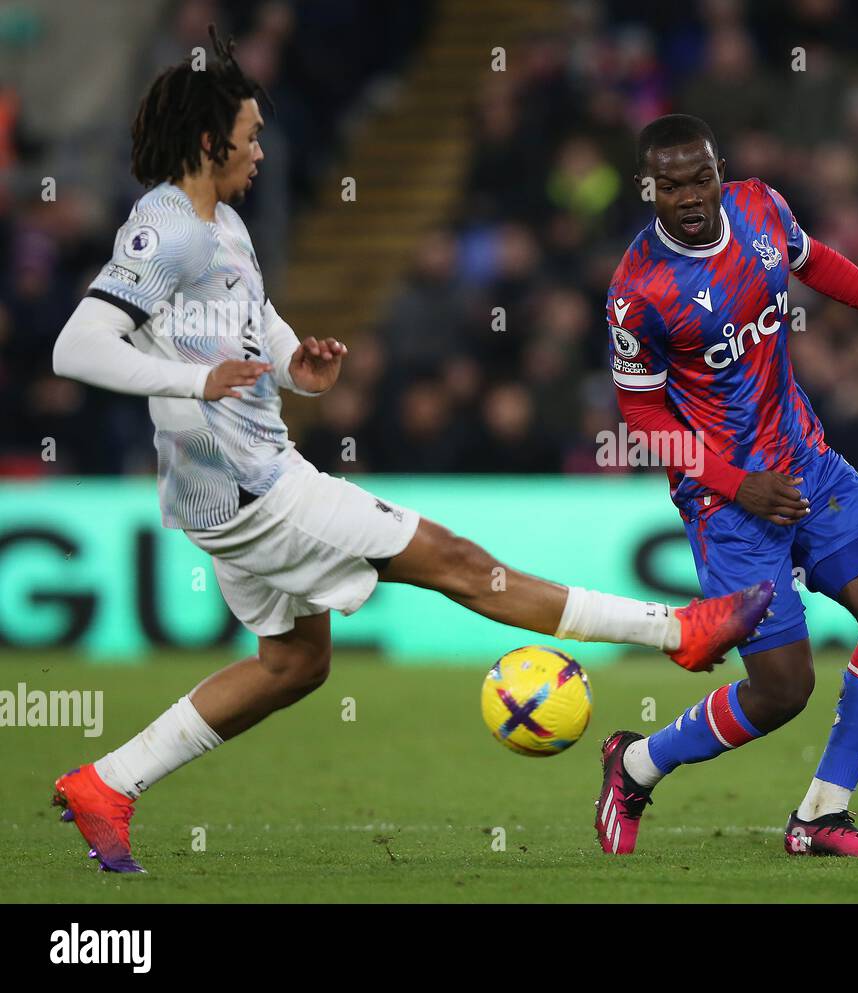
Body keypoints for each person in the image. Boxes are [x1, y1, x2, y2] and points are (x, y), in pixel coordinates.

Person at [48, 35, 772, 874]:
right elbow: (79, 344)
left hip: (233, 486)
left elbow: (255, 318)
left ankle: (108, 782)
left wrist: (293, 365)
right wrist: (190, 381)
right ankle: (676, 628)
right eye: (248, 136)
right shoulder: (166, 232)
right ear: (210, 144)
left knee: (293, 665)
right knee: (460, 563)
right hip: (259, 488)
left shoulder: (225, 223)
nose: (259, 149)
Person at [594, 114, 858, 858]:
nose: (691, 196)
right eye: (671, 185)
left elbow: (817, 261)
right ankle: (636, 764)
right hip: (728, 503)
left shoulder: (761, 206)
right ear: (649, 188)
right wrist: (738, 483)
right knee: (782, 690)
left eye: (701, 177)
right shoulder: (638, 293)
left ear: (719, 170)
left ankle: (822, 815)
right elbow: (640, 414)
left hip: (807, 461)